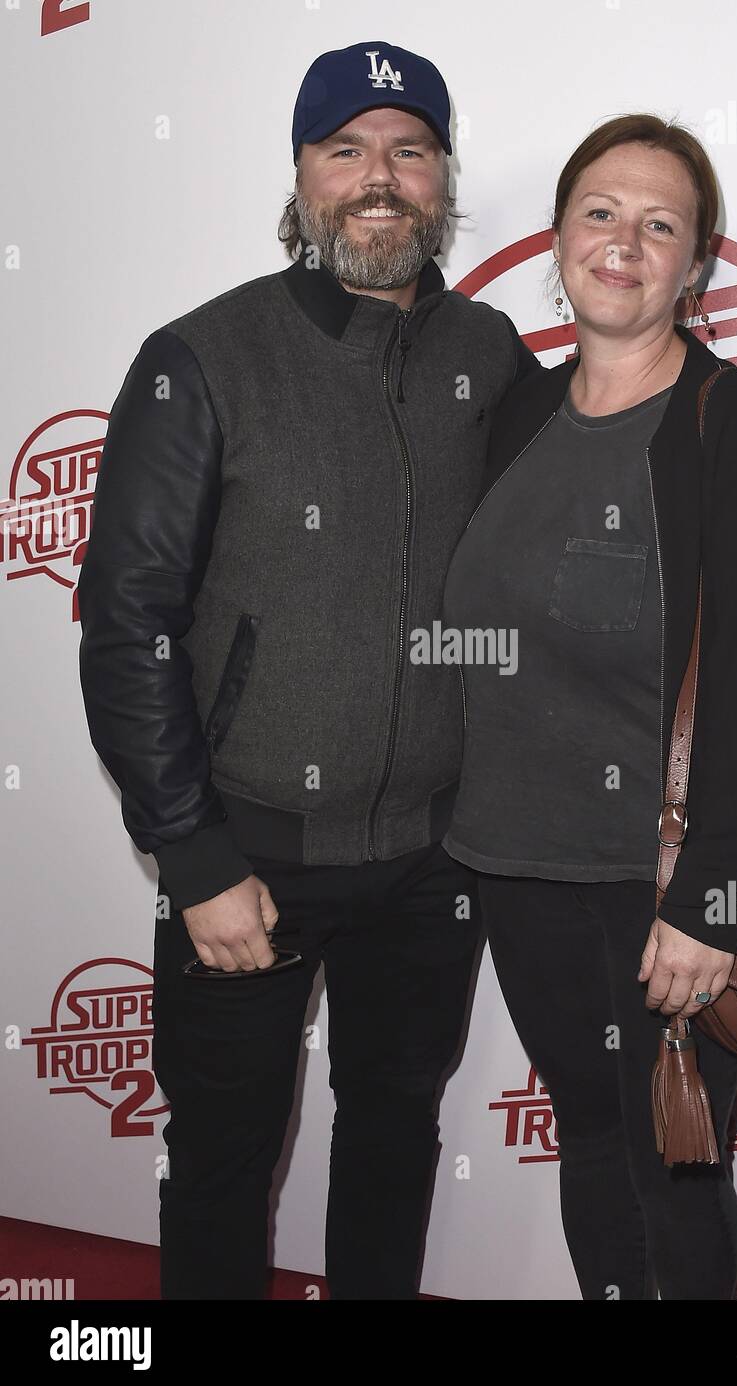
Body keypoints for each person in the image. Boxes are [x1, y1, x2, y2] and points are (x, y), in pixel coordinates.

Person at [76, 39, 540, 1300]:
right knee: (224, 1158)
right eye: (346, 151)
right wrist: (193, 851)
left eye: (407, 149)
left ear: (443, 178)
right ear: (302, 175)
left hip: (430, 862)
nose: (377, 179)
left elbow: (602, 480)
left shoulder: (490, 352)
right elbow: (127, 625)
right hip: (245, 859)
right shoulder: (201, 357)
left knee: (393, 1138)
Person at [441, 113, 737, 1300]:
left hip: (662, 892)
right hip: (517, 865)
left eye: (660, 224)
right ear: (557, 240)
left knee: (673, 1168)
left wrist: (714, 900)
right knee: (597, 1145)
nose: (624, 242)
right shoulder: (512, 413)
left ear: (695, 264)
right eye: (600, 213)